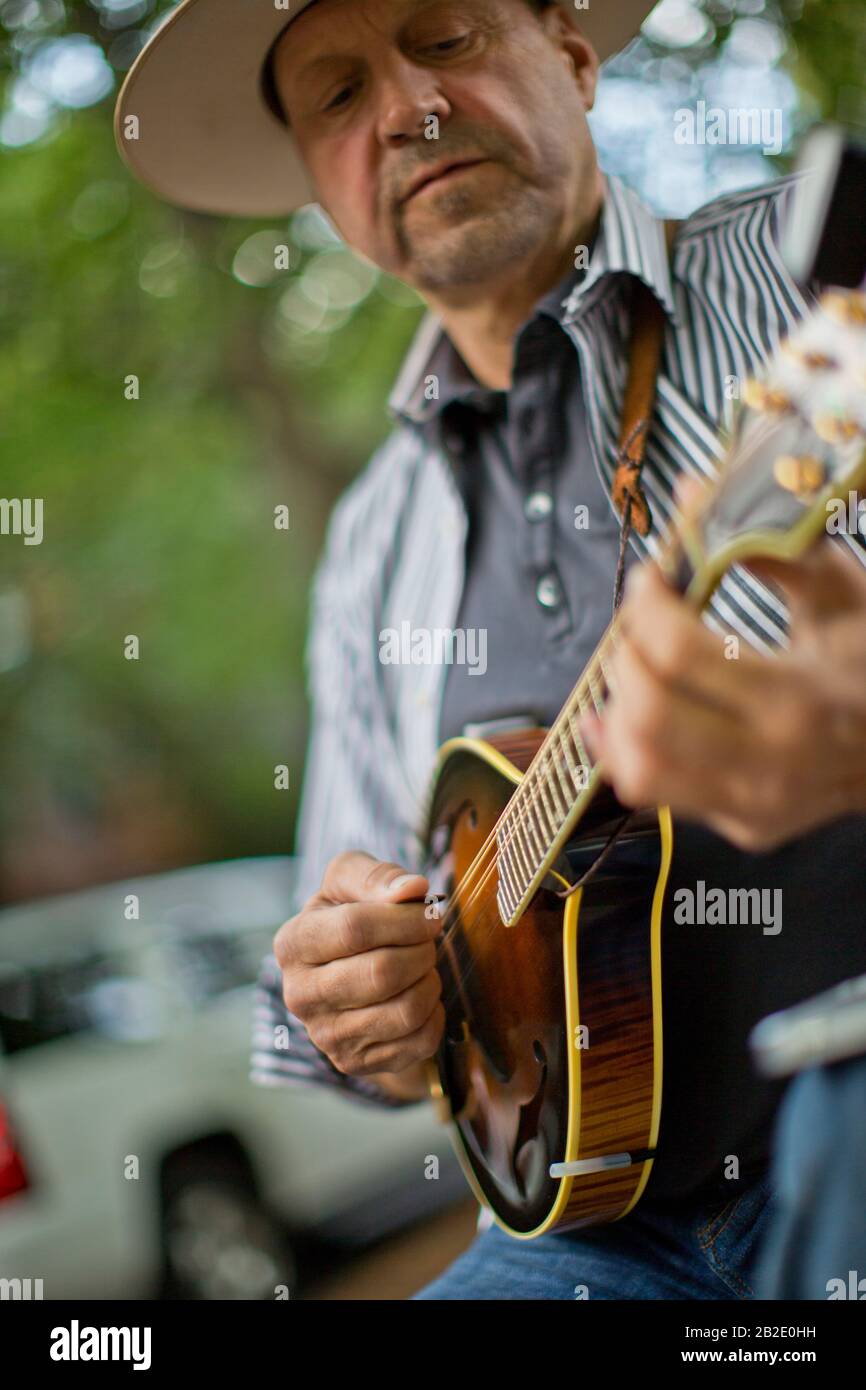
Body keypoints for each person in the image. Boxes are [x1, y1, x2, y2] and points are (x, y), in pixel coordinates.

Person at [116, 0, 866, 1299]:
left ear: (572, 55)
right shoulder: (365, 546)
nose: (404, 109)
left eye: (445, 36)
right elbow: (358, 1038)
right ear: (320, 184)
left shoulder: (812, 288)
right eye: (337, 95)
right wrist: (362, 1002)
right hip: (578, 1222)